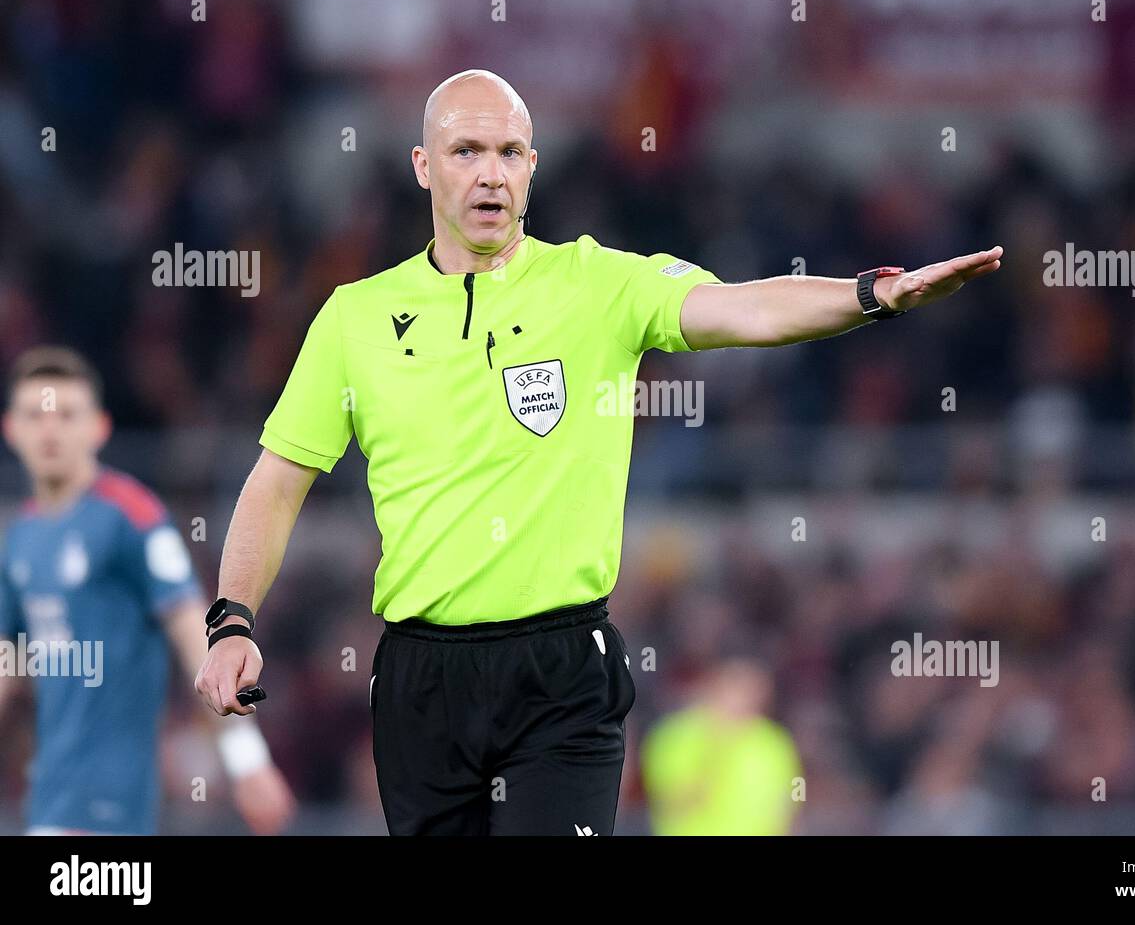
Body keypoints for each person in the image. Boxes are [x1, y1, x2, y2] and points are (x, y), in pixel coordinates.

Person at [195, 68, 1001, 836]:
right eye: (465, 152)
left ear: (532, 167)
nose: (489, 175)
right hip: (421, 678)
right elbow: (278, 480)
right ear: (422, 166)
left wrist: (872, 295)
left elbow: (741, 310)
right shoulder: (355, 319)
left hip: (562, 674)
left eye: (509, 153)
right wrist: (232, 620)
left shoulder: (598, 285)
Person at [0, 347, 296, 835]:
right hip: (48, 792)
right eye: (36, 415)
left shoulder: (132, 518)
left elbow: (191, 630)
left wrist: (246, 759)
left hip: (111, 795)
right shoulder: (22, 537)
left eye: (67, 414)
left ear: (99, 426)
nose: (50, 430)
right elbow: (10, 660)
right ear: (12, 428)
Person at [641, 658, 802, 835]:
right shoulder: (674, 736)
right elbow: (670, 804)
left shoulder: (774, 743)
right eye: (736, 690)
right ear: (712, 689)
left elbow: (788, 807)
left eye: (754, 695)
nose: (744, 701)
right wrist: (716, 750)